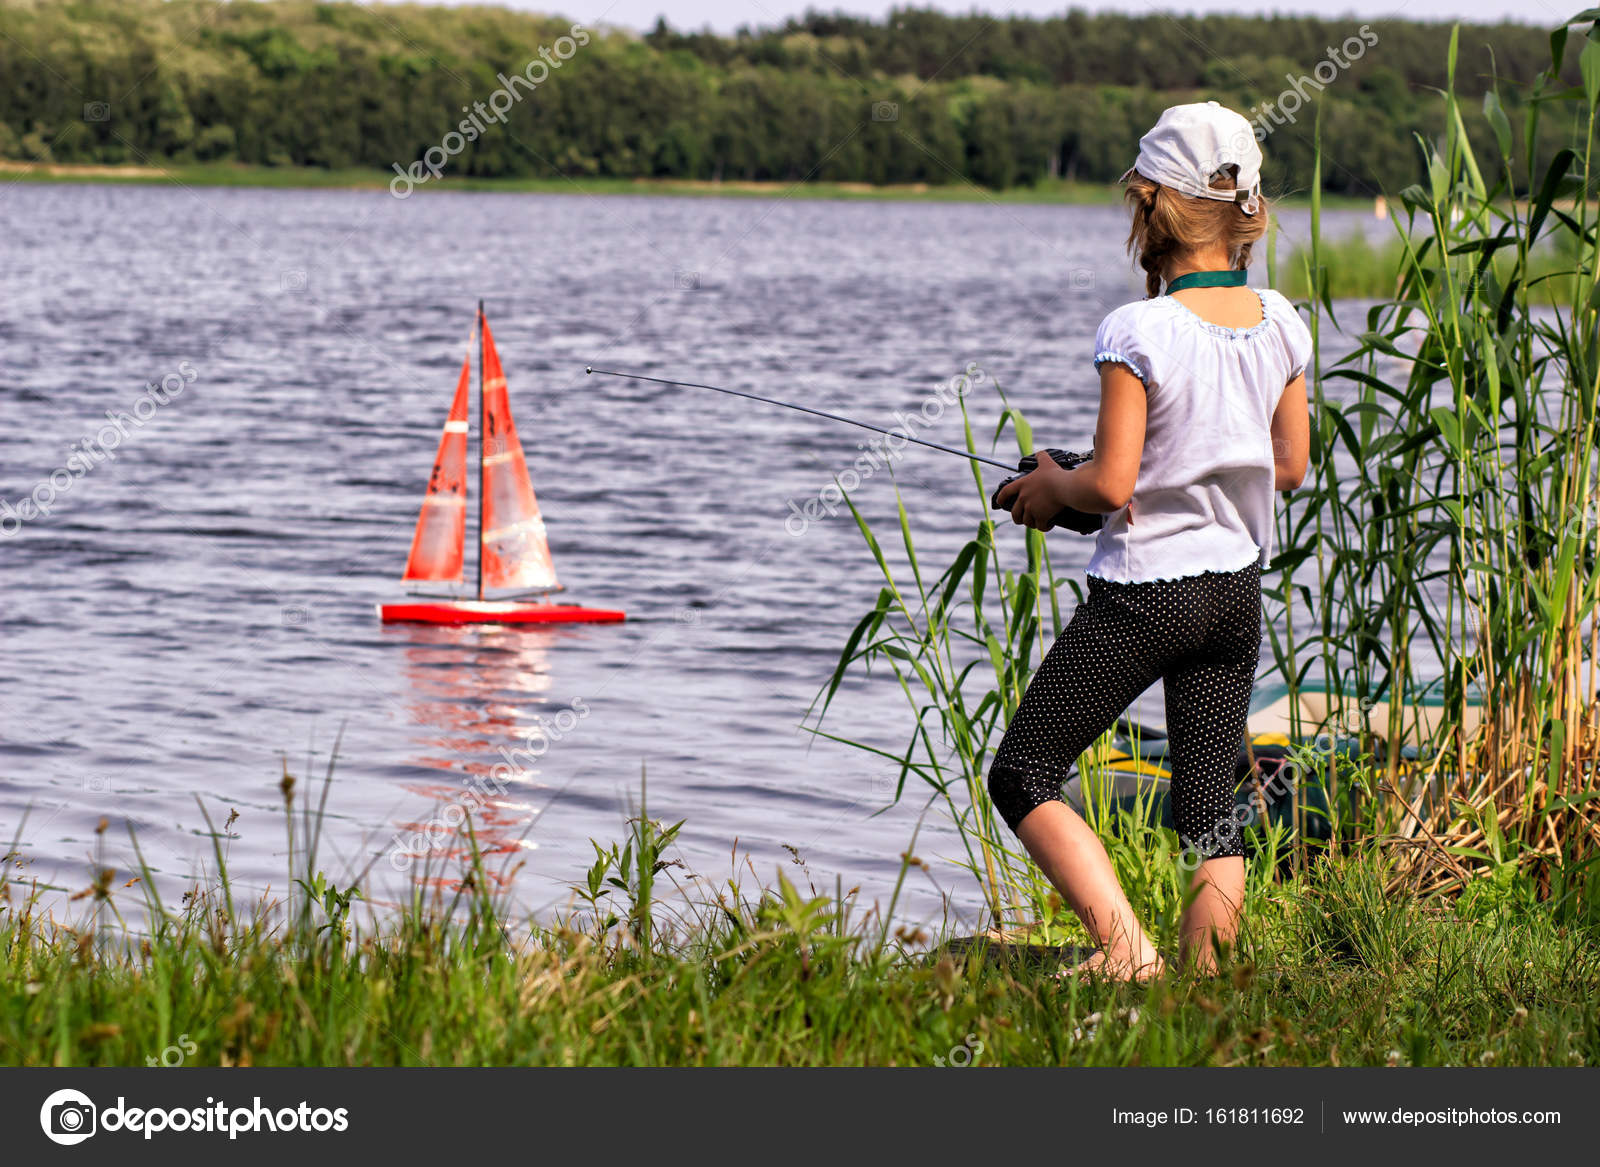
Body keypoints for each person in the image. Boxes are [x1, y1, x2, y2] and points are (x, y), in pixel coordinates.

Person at [991, 102, 1312, 980]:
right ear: (1248, 211)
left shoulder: (1136, 331)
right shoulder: (1281, 321)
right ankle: (1206, 983)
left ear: (1149, 208)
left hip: (1146, 599)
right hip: (1234, 596)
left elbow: (1110, 486)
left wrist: (1051, 486)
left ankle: (1126, 951)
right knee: (1209, 804)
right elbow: (1289, 465)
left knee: (1024, 771)